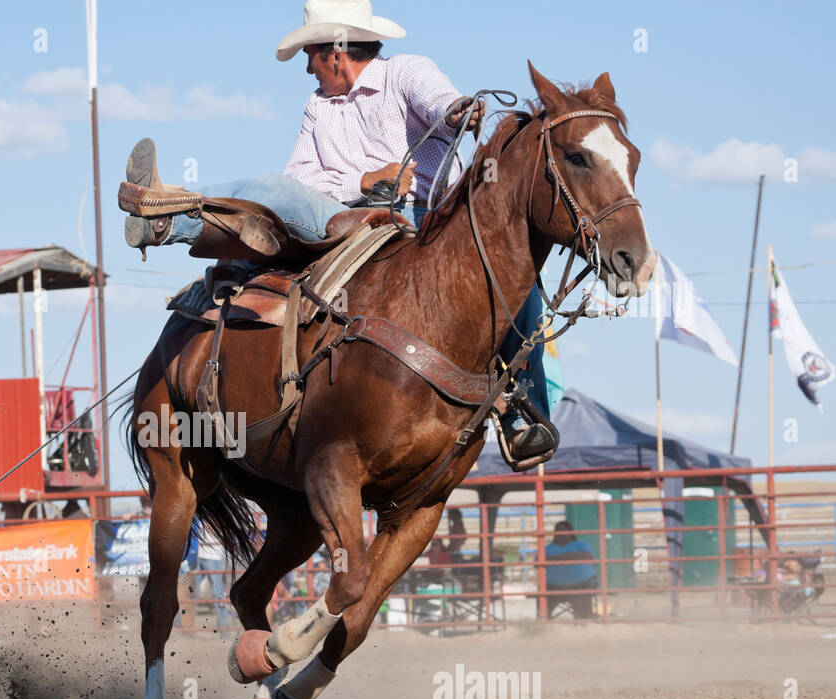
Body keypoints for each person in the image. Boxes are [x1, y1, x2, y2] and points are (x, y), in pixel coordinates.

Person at [118, 0, 553, 459]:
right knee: (276, 190)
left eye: (310, 54)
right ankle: (171, 215)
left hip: (427, 219)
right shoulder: (317, 107)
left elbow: (443, 104)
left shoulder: (405, 72)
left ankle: (523, 412)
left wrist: (458, 110)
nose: (308, 68)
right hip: (343, 217)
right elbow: (300, 179)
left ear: (336, 52)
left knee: (515, 282)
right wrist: (362, 182)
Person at [545, 520, 598, 618]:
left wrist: (566, 556)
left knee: (584, 596)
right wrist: (564, 557)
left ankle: (583, 621)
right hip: (554, 587)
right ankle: (542, 620)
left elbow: (590, 557)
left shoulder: (580, 545)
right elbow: (537, 561)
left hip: (580, 585)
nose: (561, 534)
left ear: (571, 533)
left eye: (564, 531)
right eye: (559, 531)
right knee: (542, 597)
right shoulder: (548, 548)